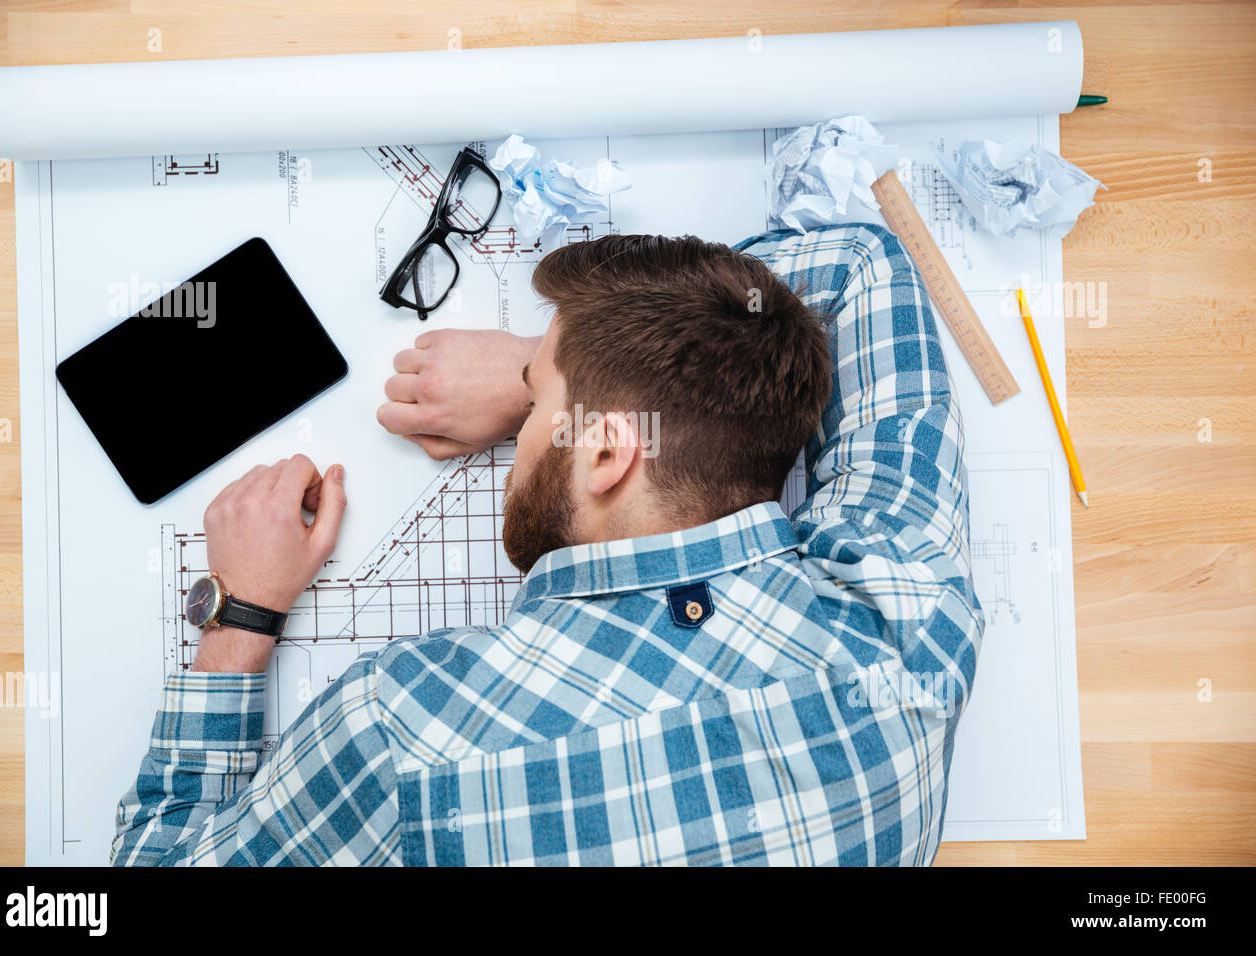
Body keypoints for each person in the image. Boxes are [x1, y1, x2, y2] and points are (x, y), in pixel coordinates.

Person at [112, 224, 983, 866]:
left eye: (532, 405)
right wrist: (574, 361)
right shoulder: (902, 628)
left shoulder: (407, 733)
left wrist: (237, 616)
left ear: (606, 452)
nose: (521, 428)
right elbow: (860, 265)